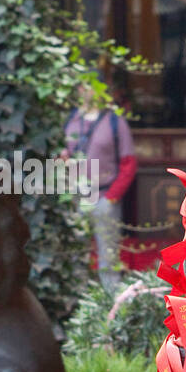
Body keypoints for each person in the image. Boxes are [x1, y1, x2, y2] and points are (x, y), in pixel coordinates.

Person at [64, 84, 137, 292]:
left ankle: (111, 305)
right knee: (76, 255)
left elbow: (128, 163)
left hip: (104, 196)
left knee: (108, 256)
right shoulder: (70, 120)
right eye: (83, 87)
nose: (87, 92)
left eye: (91, 87)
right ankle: (77, 304)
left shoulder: (115, 122)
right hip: (75, 196)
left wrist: (112, 197)